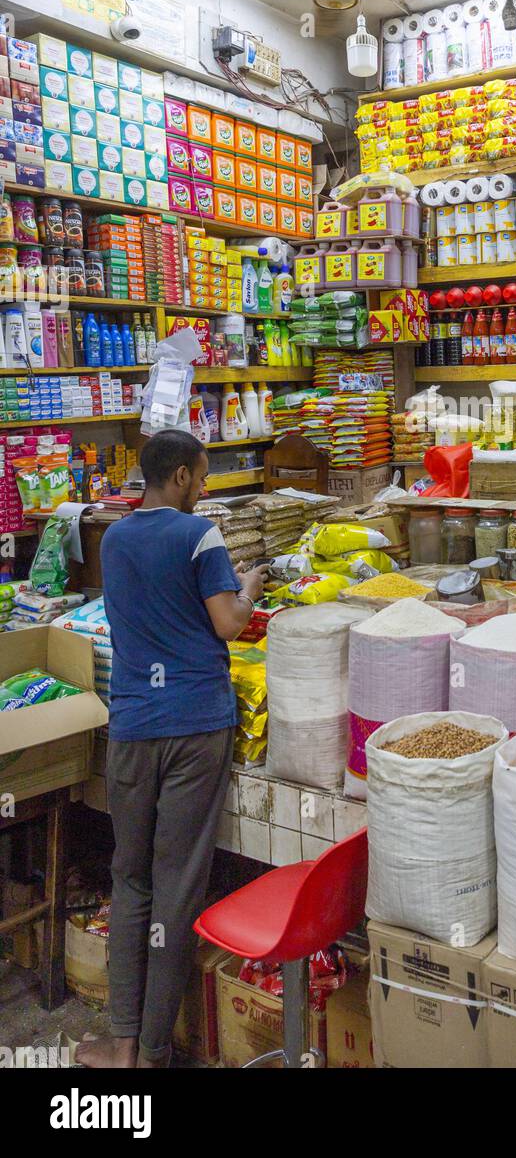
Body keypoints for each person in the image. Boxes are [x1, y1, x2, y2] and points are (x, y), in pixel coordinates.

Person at [76, 430, 269, 1069]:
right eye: (204, 476)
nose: (206, 487)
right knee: (177, 884)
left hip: (132, 727)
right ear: (182, 476)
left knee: (129, 880)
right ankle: (157, 1052)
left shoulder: (116, 536)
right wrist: (251, 587)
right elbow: (227, 623)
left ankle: (123, 1044)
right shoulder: (200, 535)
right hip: (195, 725)